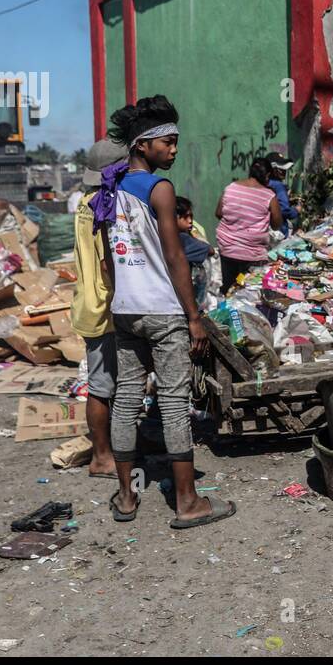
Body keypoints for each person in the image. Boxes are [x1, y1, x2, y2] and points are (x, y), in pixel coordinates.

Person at [96, 95, 236, 529]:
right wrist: (193, 316)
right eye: (168, 143)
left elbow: (107, 259)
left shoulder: (110, 190)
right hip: (162, 311)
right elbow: (176, 257)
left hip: (126, 311)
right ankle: (188, 502)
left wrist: (123, 297)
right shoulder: (159, 189)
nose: (174, 150)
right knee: (174, 404)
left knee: (126, 402)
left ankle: (125, 497)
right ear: (143, 145)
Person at [71, 137, 126, 480]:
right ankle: (103, 457)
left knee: (103, 385)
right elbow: (109, 262)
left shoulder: (84, 203)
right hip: (105, 306)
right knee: (103, 387)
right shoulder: (105, 206)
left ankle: (109, 451)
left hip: (88, 303)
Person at [214, 157, 282, 293]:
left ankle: (226, 311)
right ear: (267, 175)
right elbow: (276, 224)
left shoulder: (231, 188)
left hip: (228, 249)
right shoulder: (269, 196)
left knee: (229, 288)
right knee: (250, 292)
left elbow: (219, 213)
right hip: (253, 254)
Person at [174, 196, 213, 307]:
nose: (190, 221)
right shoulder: (184, 238)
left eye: (191, 216)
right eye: (186, 217)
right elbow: (210, 250)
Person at [264, 152, 300, 234]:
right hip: (278, 232)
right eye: (281, 170)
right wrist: (296, 210)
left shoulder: (263, 183)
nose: (284, 172)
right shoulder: (278, 186)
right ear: (273, 170)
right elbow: (283, 210)